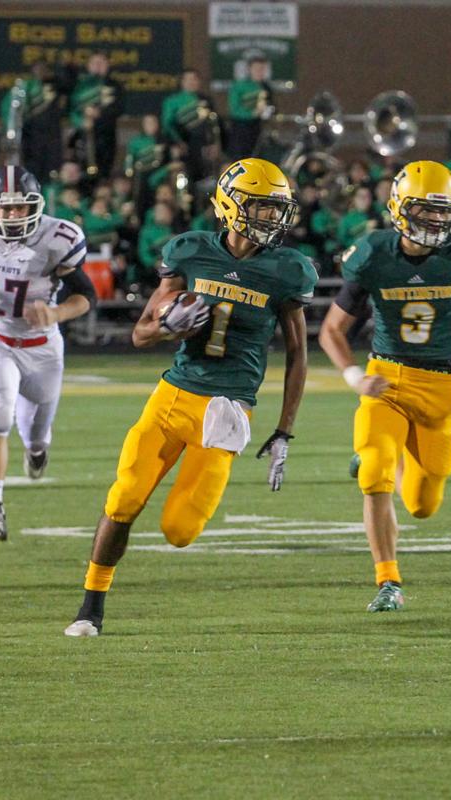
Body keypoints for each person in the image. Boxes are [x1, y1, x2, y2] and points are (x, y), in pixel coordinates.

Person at [63, 158, 317, 636]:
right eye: (260, 208)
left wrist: (285, 429)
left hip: (226, 412)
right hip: (172, 398)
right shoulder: (191, 251)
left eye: (275, 209)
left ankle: (96, 600)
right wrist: (166, 325)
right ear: (227, 205)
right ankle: (90, 607)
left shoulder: (286, 269)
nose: (269, 218)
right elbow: (140, 334)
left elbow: (299, 354)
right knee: (123, 500)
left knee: (180, 531)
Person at [317, 160, 451, 613]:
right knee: (374, 476)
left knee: (423, 504)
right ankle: (388, 580)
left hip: (442, 386)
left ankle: (380, 452)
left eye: (446, 212)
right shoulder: (375, 254)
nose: (439, 221)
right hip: (387, 379)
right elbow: (332, 330)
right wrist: (353, 376)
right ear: (401, 209)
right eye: (428, 210)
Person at [0, 166, 97, 542]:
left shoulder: (59, 237)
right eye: (5, 208)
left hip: (42, 347)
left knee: (37, 434)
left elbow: (86, 296)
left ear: (35, 207)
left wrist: (55, 313)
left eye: (21, 207)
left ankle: (36, 449)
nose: (12, 215)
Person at [68, 52, 123, 179]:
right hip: (84, 137)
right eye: (94, 63)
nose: (98, 66)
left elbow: (118, 109)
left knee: (104, 173)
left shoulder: (115, 86)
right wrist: (82, 121)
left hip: (106, 136)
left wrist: (99, 114)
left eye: (101, 63)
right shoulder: (79, 86)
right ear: (88, 66)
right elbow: (71, 110)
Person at [226, 56, 274, 160]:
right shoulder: (239, 86)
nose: (259, 72)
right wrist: (253, 113)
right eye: (256, 69)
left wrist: (268, 112)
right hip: (240, 130)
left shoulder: (266, 87)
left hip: (258, 129)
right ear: (249, 69)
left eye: (262, 69)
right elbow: (234, 110)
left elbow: (271, 107)